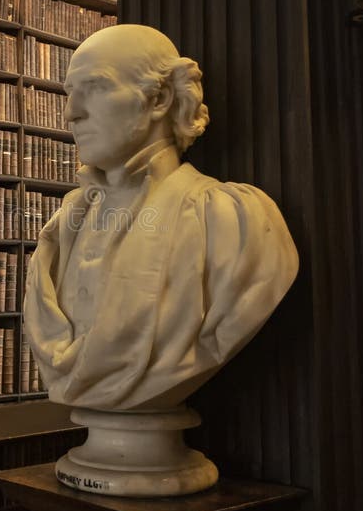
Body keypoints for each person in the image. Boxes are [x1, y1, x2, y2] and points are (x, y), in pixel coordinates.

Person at [23, 24, 298, 412]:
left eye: (95, 86)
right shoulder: (65, 224)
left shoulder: (232, 220)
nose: (71, 112)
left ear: (159, 99)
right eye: (70, 92)